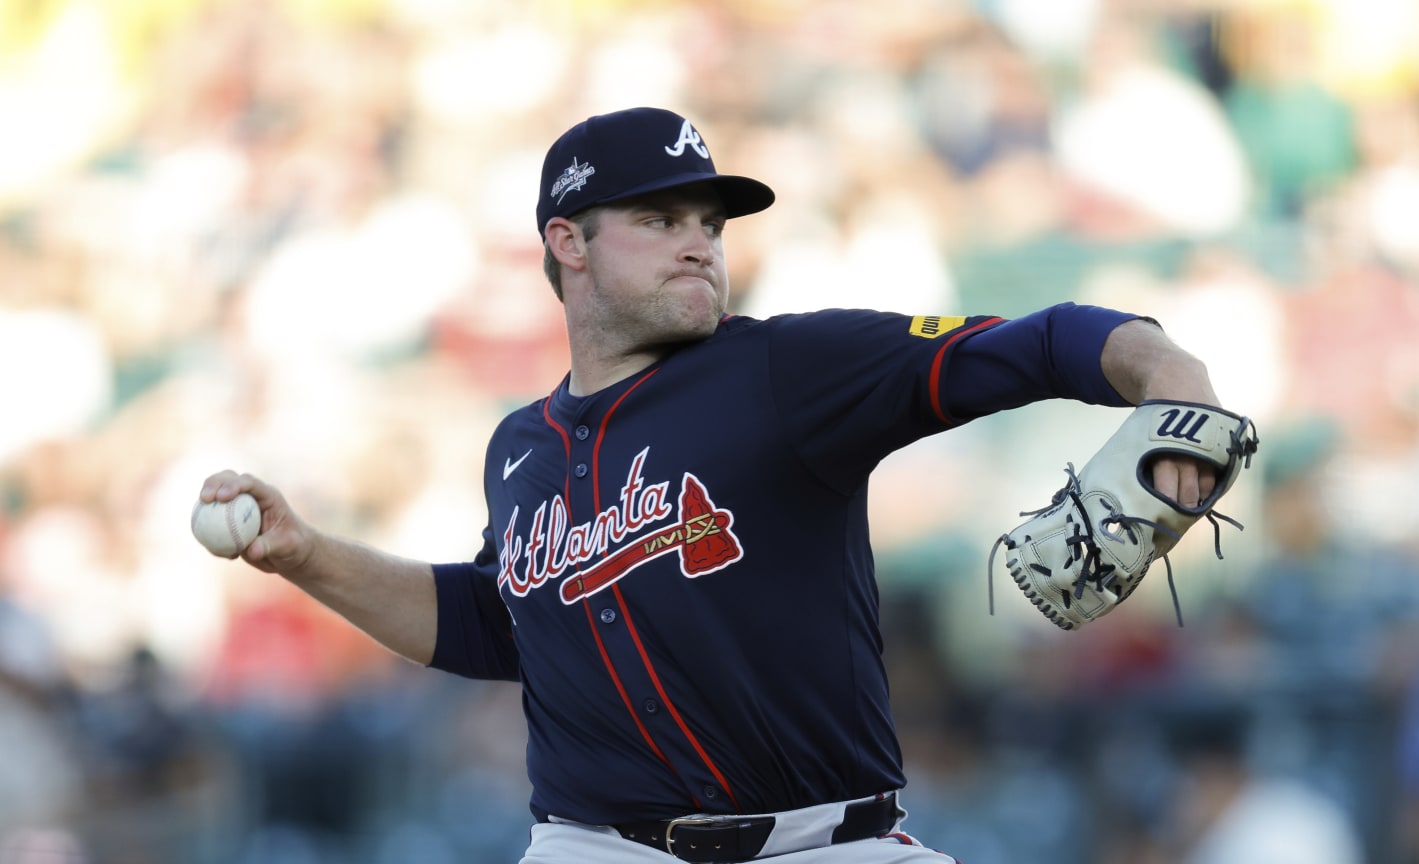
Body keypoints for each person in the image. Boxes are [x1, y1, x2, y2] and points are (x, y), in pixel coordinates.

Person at [198, 106, 1229, 863]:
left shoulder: (785, 370)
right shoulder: (521, 448)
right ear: (568, 243)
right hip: (599, 849)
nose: (700, 239)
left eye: (711, 221)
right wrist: (305, 555)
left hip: (830, 844)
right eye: (659, 217)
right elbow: (498, 626)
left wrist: (1172, 381)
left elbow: (1040, 342)